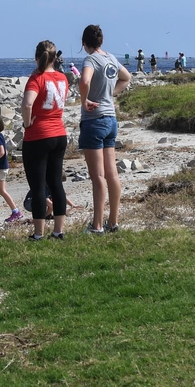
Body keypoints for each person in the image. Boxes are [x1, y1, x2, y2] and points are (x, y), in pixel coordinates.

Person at [79, 25, 132, 234]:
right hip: (111, 119)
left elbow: (84, 80)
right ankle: (113, 221)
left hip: (94, 120)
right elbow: (126, 77)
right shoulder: (110, 58)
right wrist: (111, 95)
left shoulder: (90, 59)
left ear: (84, 43)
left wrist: (85, 101)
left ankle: (97, 225)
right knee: (112, 173)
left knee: (98, 176)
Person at [21, 40, 69, 241]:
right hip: (59, 133)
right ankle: (58, 231)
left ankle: (39, 233)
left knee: (38, 186)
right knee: (56, 183)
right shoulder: (62, 78)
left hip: (39, 135)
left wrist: (26, 123)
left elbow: (27, 104)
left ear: (36, 57)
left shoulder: (36, 78)